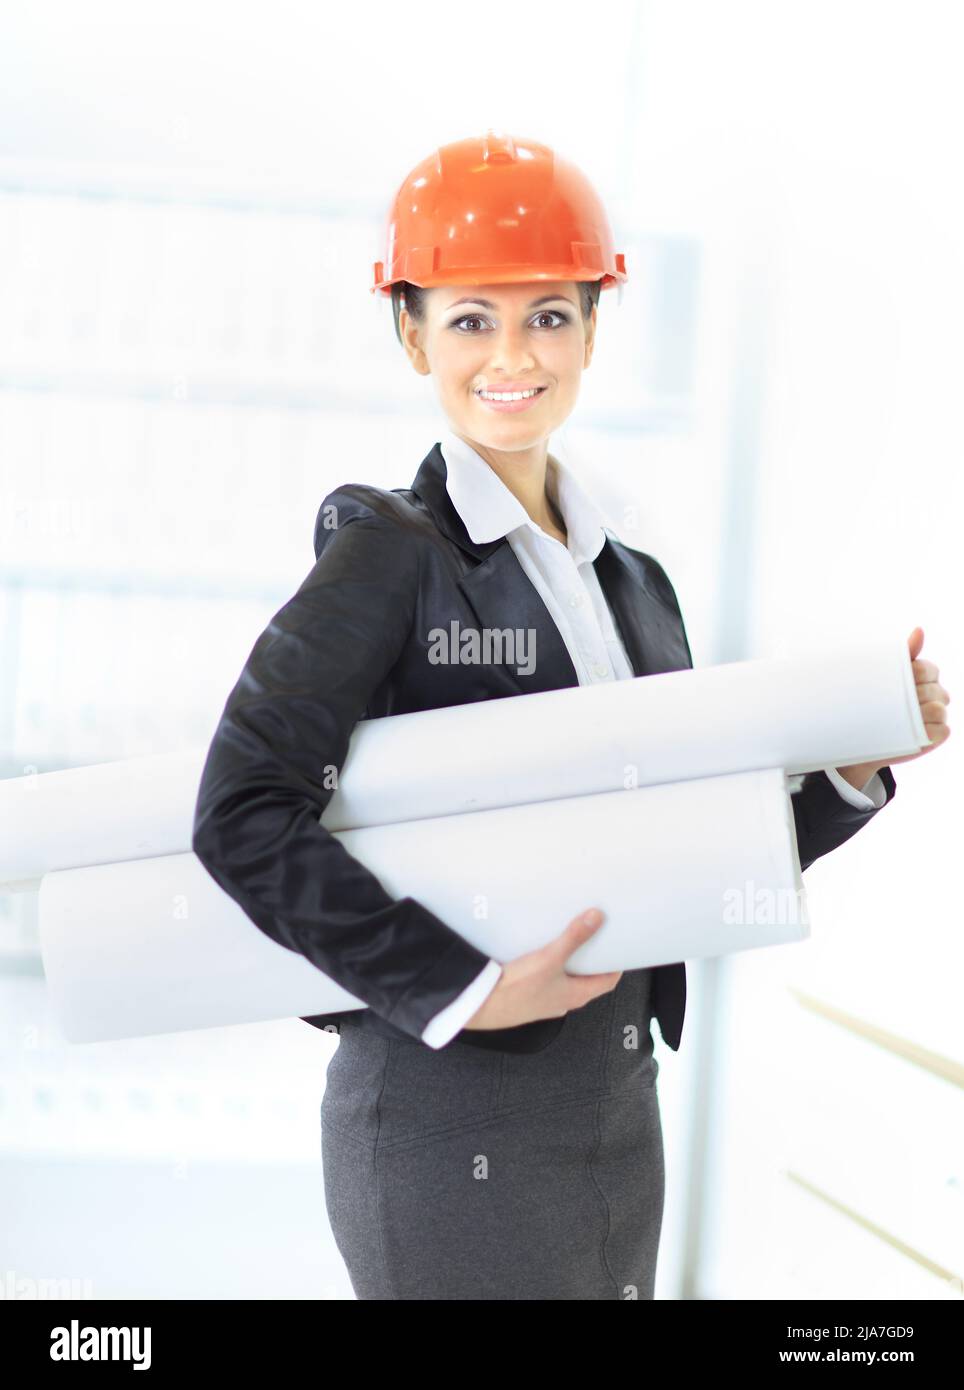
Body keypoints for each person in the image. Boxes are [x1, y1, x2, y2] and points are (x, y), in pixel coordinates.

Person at [191, 130, 950, 1300]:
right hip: (453, 1112)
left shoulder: (632, 582)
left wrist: (848, 770)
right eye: (468, 320)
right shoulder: (389, 552)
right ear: (411, 335)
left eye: (547, 315)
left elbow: (680, 856)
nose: (513, 354)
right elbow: (241, 812)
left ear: (593, 329)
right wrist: (465, 986)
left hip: (615, 1100)